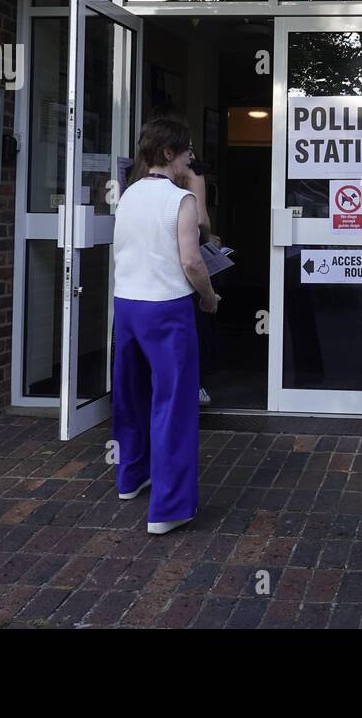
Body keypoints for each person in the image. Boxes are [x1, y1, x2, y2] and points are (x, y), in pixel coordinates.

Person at [112, 117, 220, 534]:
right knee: (174, 404)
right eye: (187, 150)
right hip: (166, 309)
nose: (192, 157)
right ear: (169, 153)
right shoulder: (182, 201)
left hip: (127, 306)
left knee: (132, 395)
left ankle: (131, 476)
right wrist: (209, 298)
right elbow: (192, 262)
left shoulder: (129, 196)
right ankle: (169, 508)